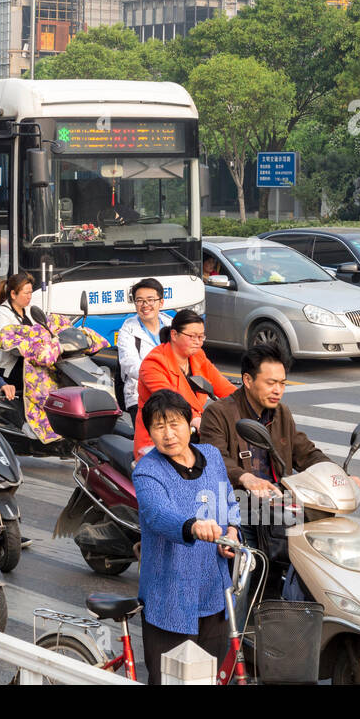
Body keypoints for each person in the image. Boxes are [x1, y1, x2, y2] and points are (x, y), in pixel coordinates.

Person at [133, 389, 240, 684]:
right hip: (170, 594)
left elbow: (228, 500)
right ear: (150, 432)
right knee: (171, 677)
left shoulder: (212, 456)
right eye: (159, 426)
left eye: (175, 423)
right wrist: (192, 526)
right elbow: (157, 514)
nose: (168, 434)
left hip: (212, 590)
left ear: (189, 423)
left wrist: (232, 529)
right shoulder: (147, 472)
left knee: (210, 675)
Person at [198, 344, 360, 497]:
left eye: (282, 383)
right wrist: (245, 478)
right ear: (248, 380)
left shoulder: (281, 413)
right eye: (271, 383)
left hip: (279, 500)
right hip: (238, 503)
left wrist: (340, 477)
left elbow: (306, 453)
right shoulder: (218, 413)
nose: (278, 390)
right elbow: (216, 459)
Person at [133, 309, 235, 461]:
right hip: (160, 438)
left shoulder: (198, 356)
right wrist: (196, 419)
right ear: (174, 335)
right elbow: (171, 402)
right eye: (192, 336)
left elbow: (223, 386)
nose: (198, 342)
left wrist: (245, 404)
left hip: (191, 435)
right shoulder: (153, 363)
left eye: (201, 337)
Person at [115, 277, 173, 420]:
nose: (145, 305)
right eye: (140, 300)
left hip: (173, 392)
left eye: (150, 300)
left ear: (161, 302)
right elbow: (130, 365)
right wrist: (159, 379)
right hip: (139, 395)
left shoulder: (171, 325)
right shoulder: (127, 330)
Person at [0, 272, 35, 391]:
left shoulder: (30, 310)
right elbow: (10, 346)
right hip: (9, 369)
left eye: (31, 293)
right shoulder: (1, 314)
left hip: (28, 363)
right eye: (26, 293)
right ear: (13, 294)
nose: (29, 296)